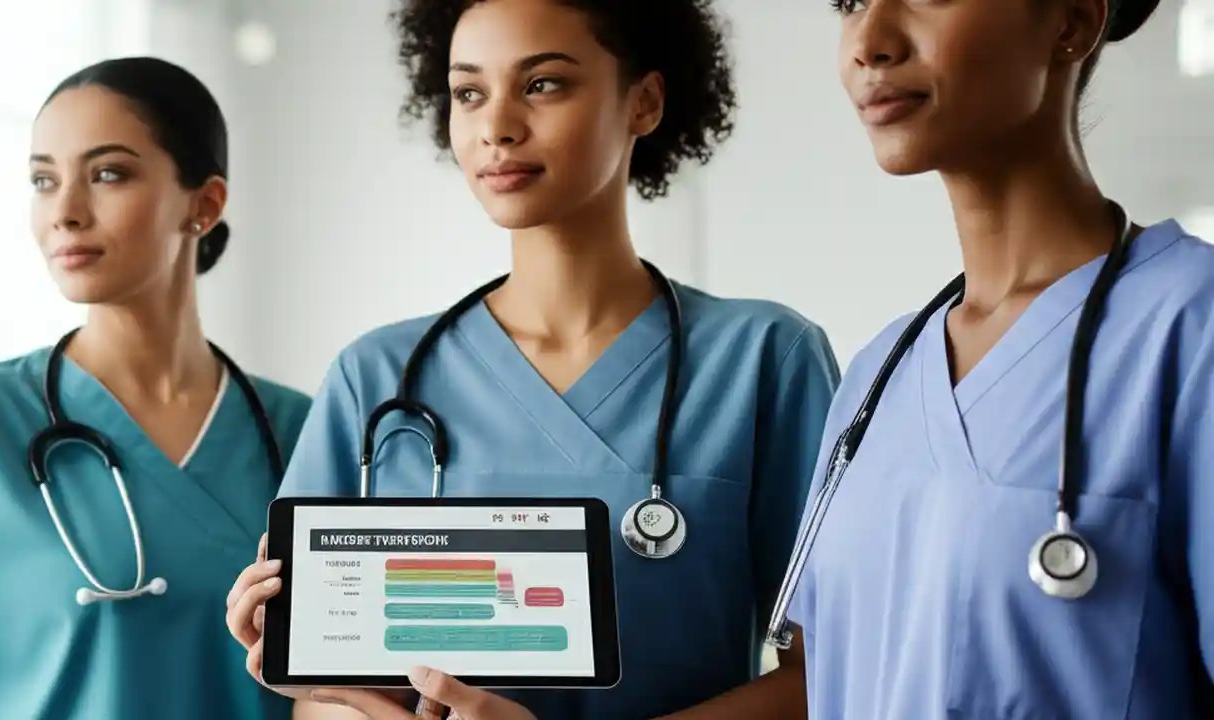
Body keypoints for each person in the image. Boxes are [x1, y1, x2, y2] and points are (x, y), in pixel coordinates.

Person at [225, 1, 839, 718]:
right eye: (468, 93)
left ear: (643, 102)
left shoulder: (763, 360)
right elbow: (325, 707)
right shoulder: (376, 378)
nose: (497, 127)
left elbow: (830, 669)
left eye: (543, 84)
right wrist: (319, 681)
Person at [771, 0, 1214, 717]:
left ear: (1072, 22)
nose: (870, 42)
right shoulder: (877, 375)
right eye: (850, 2)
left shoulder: (1191, 327)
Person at [0, 57, 311, 719]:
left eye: (108, 173)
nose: (66, 212)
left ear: (205, 203)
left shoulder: (305, 434)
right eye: (43, 180)